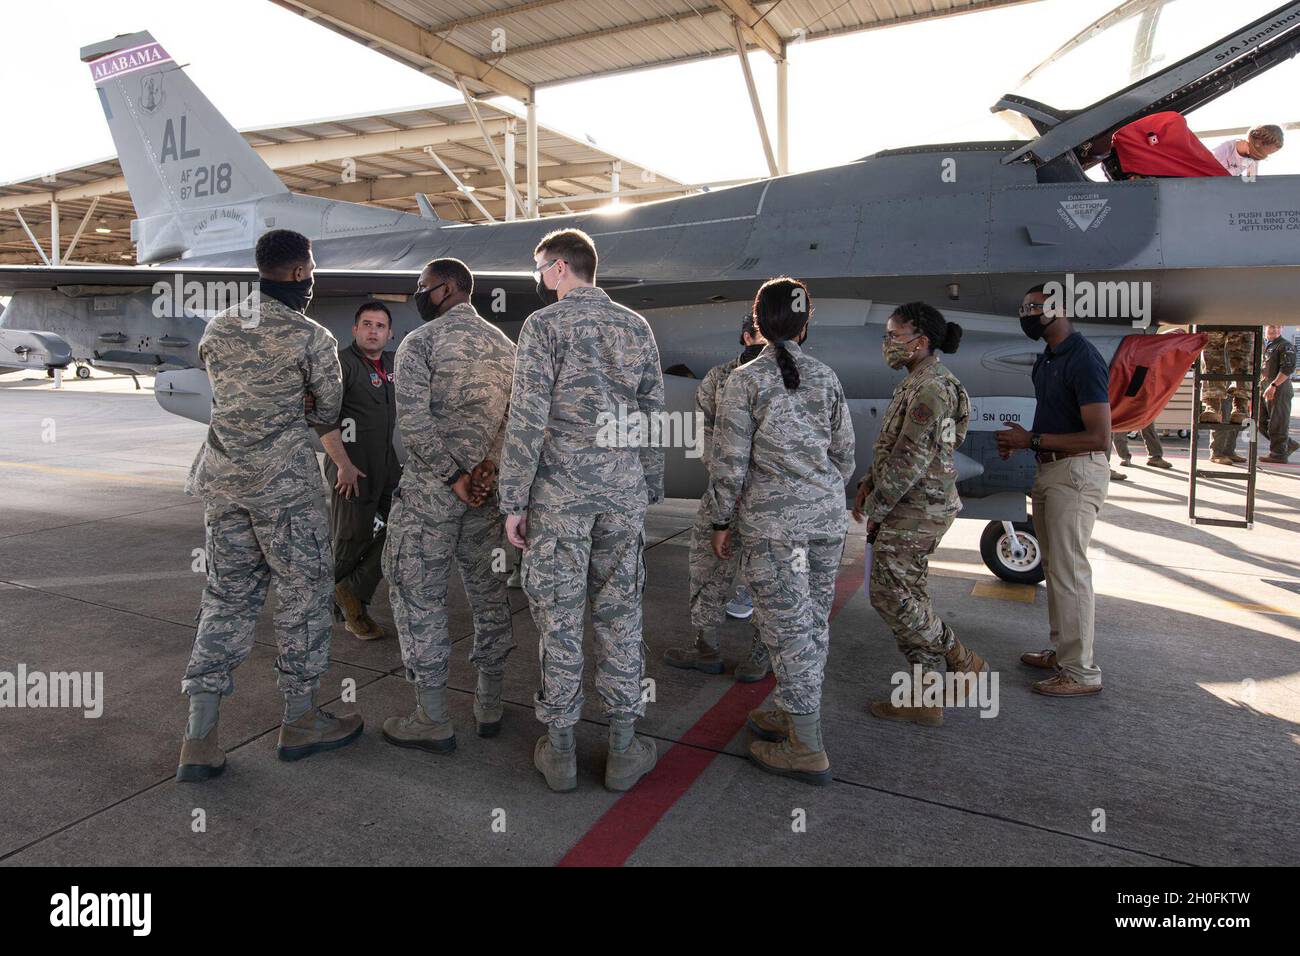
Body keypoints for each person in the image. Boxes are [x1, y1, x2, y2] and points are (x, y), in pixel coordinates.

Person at [177, 229, 361, 781]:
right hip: (283, 490)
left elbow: (224, 391)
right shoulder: (311, 336)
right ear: (304, 271)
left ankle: (199, 740)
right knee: (303, 599)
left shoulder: (219, 326)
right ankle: (301, 720)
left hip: (225, 482)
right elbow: (326, 410)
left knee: (225, 600)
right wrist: (299, 398)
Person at [501, 228, 664, 793]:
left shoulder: (543, 326)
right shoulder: (636, 326)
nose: (541, 279)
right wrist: (649, 485)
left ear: (561, 267)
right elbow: (651, 413)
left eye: (541, 269)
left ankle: (563, 750)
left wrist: (512, 501)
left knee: (560, 620)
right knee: (620, 617)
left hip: (560, 500)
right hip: (621, 496)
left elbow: (526, 417)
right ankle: (622, 750)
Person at [710, 277, 855, 786]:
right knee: (812, 621)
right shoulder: (827, 377)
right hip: (825, 523)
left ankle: (806, 746)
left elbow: (728, 464)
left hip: (775, 529)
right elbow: (845, 456)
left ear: (759, 320)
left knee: (787, 630)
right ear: (804, 322)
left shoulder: (744, 381)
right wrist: (816, 494)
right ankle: (793, 710)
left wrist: (721, 520)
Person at [381, 258, 516, 753]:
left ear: (449, 288)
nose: (419, 295)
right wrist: (486, 473)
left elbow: (413, 425)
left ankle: (432, 716)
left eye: (423, 287)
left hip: (430, 497)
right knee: (489, 594)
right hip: (487, 496)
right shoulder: (507, 347)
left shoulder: (421, 344)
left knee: (419, 595)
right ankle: (489, 704)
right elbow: (515, 423)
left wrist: (453, 476)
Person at [854, 302, 980, 727]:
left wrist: (877, 508)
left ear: (920, 341)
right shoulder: (921, 382)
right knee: (912, 597)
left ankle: (962, 657)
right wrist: (869, 482)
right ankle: (924, 699)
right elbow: (895, 447)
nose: (887, 344)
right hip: (915, 503)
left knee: (889, 596)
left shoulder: (931, 388)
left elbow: (911, 459)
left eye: (894, 336)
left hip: (916, 509)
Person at [996, 285, 1111, 697]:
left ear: (1060, 310)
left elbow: (1099, 437)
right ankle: (1064, 651)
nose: (1026, 314)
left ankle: (1080, 672)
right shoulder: (1047, 360)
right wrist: (1025, 443)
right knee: (1056, 569)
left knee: (1069, 572)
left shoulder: (1083, 359)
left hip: (1076, 475)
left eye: (1034, 307)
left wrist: (1031, 441)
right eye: (1023, 307)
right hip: (1052, 473)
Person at [663, 314, 770, 681]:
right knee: (707, 569)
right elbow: (703, 434)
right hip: (723, 494)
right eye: (760, 333)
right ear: (745, 336)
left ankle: (762, 650)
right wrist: (729, 477)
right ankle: (706, 647)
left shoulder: (790, 377)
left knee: (767, 577)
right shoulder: (718, 379)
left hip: (767, 500)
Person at [321, 301, 401, 640]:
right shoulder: (342, 365)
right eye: (366, 324)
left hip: (386, 465)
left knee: (403, 525)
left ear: (389, 333)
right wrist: (343, 466)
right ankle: (312, 612)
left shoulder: (392, 363)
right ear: (355, 329)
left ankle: (351, 591)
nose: (373, 331)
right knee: (350, 542)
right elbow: (325, 419)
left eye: (380, 326)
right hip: (351, 467)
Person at [1260, 324, 1297, 464]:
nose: (1274, 330)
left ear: (1281, 328)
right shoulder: (1267, 345)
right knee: (1260, 422)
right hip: (1265, 388)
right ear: (1265, 327)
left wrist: (1274, 385)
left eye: (1277, 327)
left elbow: (1288, 368)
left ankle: (1278, 454)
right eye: (1271, 326)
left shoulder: (1284, 345)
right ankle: (1287, 444)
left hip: (1279, 389)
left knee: (1278, 422)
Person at [1211, 125, 1284, 178]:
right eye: (1264, 153)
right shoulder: (1227, 148)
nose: (1263, 157)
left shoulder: (1253, 159)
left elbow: (1251, 181)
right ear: (1259, 143)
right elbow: (1213, 170)